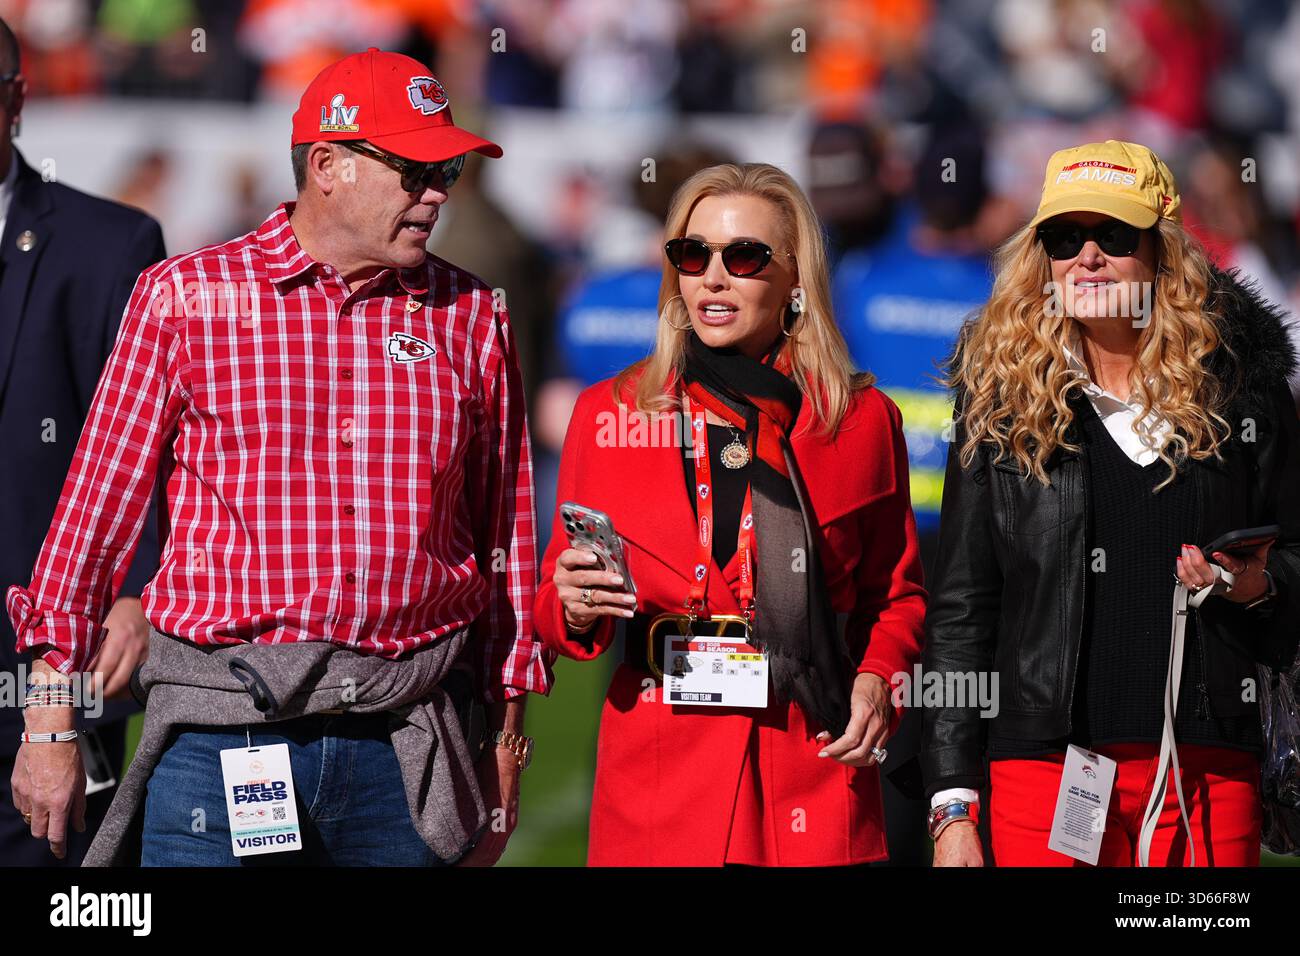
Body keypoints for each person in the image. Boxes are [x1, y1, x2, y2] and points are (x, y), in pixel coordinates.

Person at [6, 48, 550, 867]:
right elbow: (93, 519)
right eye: (415, 169)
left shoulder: (473, 318)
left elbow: (503, 549)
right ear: (327, 165)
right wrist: (50, 725)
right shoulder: (185, 298)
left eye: (449, 171)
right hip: (221, 740)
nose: (437, 193)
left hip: (403, 743)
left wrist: (505, 744)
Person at [535, 162, 927, 866]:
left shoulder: (863, 421)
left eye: (744, 256)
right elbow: (558, 612)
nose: (713, 277)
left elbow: (895, 598)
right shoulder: (608, 413)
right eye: (693, 255)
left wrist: (878, 682)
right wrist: (569, 603)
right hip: (660, 771)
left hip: (810, 759)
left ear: (795, 277)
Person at [923, 140, 1300, 867]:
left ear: (1164, 255)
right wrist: (952, 802)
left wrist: (1254, 583)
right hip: (1044, 766)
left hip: (1207, 766)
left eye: (1114, 237)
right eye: (1064, 239)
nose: (1086, 257)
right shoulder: (1002, 400)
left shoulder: (1245, 390)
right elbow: (963, 608)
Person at [0, 15, 166, 866]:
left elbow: (152, 450)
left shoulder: (112, 247)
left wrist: (138, 591)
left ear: (16, 102)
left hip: (55, 674)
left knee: (83, 904)